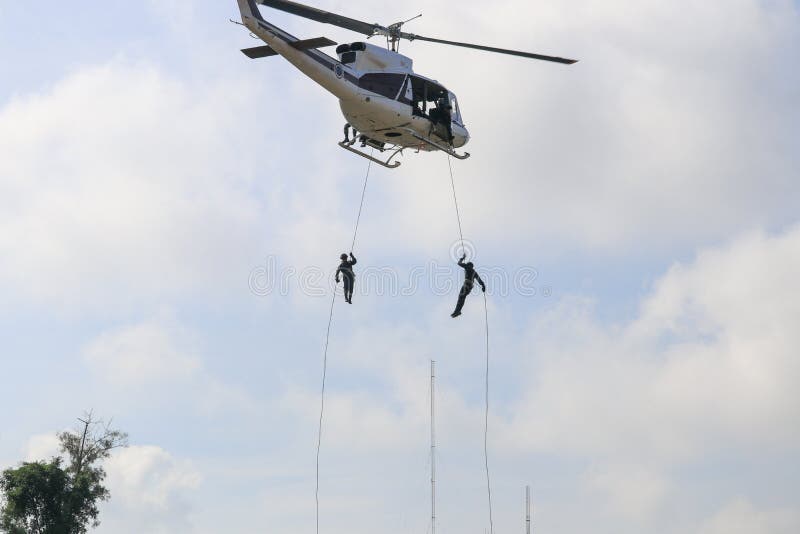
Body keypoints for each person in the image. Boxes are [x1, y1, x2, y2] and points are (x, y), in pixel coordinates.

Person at [451, 253, 485, 318]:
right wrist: (483, 286)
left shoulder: (467, 267)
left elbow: (459, 263)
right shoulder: (474, 272)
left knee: (461, 297)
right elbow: (480, 280)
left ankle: (457, 311)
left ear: (469, 265)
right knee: (462, 297)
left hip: (466, 285)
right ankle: (457, 311)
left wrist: (462, 258)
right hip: (469, 287)